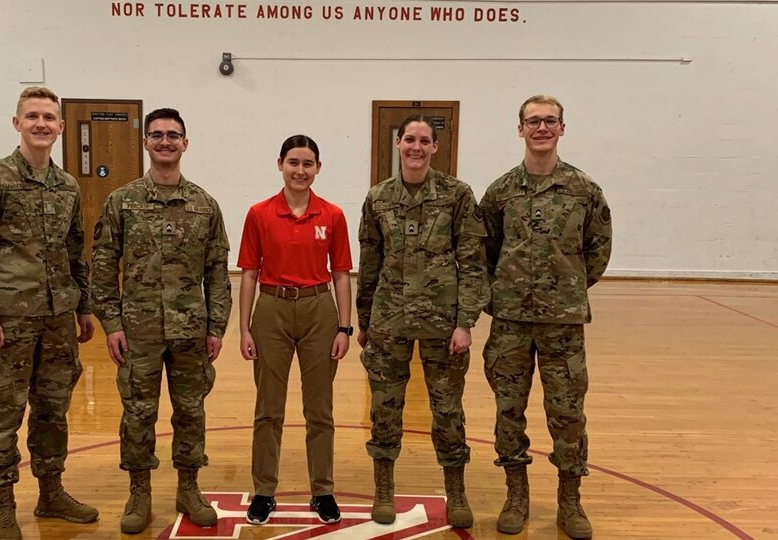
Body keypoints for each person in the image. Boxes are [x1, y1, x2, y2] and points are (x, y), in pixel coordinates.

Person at [0, 86, 99, 540]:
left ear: (60, 127)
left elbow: (77, 251)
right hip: (7, 319)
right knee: (4, 412)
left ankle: (51, 491)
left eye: (49, 117)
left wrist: (84, 309)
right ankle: (2, 503)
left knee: (53, 411)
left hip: (58, 318)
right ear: (17, 123)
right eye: (32, 116)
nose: (41, 124)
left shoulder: (68, 186)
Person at [91, 108, 232, 534]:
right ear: (146, 143)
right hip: (139, 331)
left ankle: (189, 488)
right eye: (158, 135)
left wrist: (216, 327)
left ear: (185, 144)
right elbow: (102, 266)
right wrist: (112, 323)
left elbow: (218, 271)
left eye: (174, 135)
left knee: (191, 412)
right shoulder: (122, 201)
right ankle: (140, 492)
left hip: (191, 330)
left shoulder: (205, 205)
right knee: (138, 413)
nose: (166, 142)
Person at [479, 94, 612, 539]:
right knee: (508, 410)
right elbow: (485, 249)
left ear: (561, 128)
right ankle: (516, 496)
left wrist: (567, 287)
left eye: (549, 121)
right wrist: (506, 292)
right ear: (519, 129)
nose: (541, 128)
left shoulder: (584, 190)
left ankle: (570, 501)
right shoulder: (500, 192)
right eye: (532, 121)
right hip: (511, 321)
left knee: (567, 412)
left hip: (563, 323)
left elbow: (598, 249)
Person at [356, 115, 489, 528]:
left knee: (448, 411)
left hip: (442, 323)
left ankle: (457, 491)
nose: (416, 147)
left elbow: (472, 262)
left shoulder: (456, 195)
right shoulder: (378, 197)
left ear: (435, 147)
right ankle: (383, 490)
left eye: (424, 141)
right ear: (398, 144)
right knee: (385, 408)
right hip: (389, 321)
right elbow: (370, 262)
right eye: (409, 139)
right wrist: (364, 320)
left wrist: (465, 321)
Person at [237, 135, 353, 525]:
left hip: (320, 309)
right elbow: (249, 272)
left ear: (318, 167)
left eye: (307, 163)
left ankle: (322, 490)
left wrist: (344, 327)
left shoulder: (333, 215)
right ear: (280, 164)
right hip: (271, 310)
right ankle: (263, 491)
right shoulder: (259, 213)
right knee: (268, 408)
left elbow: (341, 273)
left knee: (320, 409)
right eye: (293, 162)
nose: (300, 170)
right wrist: (244, 329)